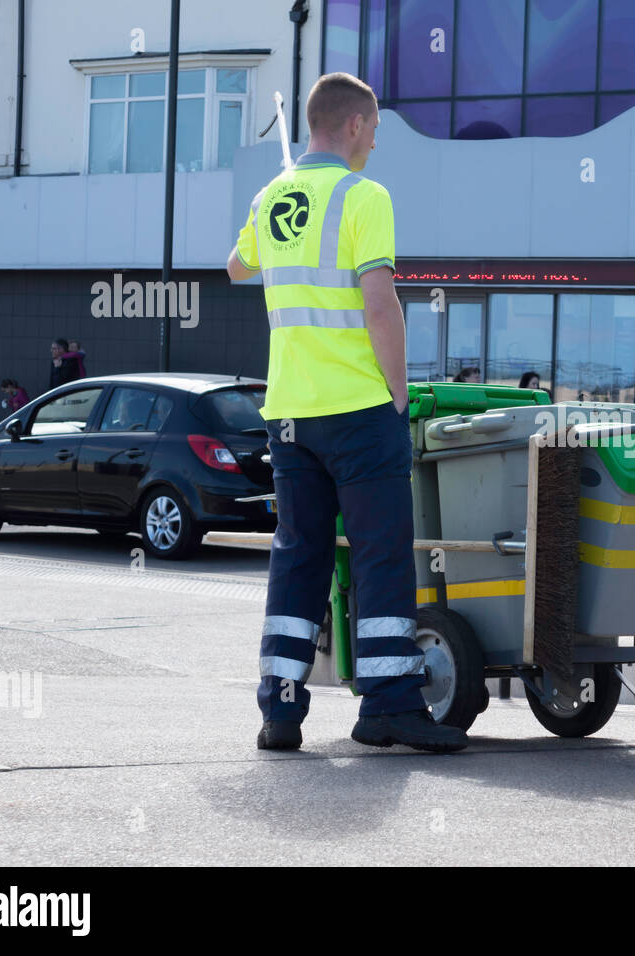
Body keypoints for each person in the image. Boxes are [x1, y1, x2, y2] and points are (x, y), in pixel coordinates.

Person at [227, 72, 465, 754]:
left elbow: (236, 267)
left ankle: (280, 710)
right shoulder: (365, 196)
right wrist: (398, 394)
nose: (376, 143)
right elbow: (380, 304)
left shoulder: (271, 196)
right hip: (358, 409)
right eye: (376, 130)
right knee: (380, 555)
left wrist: (275, 217)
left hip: (289, 414)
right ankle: (388, 705)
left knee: (298, 557)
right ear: (355, 124)